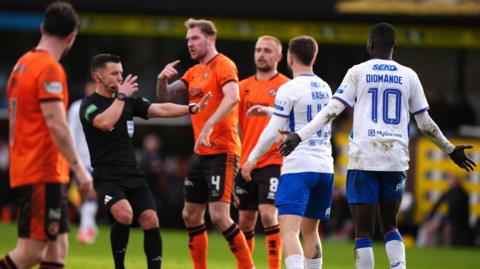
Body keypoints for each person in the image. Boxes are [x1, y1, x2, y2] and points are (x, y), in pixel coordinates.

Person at [279, 23, 476, 269]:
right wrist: (450, 150)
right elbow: (425, 124)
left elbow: (332, 111)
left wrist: (299, 135)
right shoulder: (409, 75)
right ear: (395, 47)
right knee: (390, 226)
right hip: (395, 160)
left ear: (370, 45)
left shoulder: (358, 72)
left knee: (363, 232)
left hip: (364, 158)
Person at [80, 53, 210, 269]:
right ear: (98, 76)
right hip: (106, 176)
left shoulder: (129, 101)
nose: (120, 77)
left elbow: (160, 109)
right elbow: (104, 123)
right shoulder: (90, 104)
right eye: (114, 73)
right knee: (124, 214)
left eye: (121, 72)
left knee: (151, 219)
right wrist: (121, 98)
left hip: (132, 173)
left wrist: (190, 109)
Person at [156, 18, 254, 269]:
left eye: (195, 38)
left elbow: (233, 97)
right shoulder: (193, 72)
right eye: (188, 39)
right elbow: (165, 96)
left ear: (210, 39)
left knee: (220, 216)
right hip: (200, 153)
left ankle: (248, 266)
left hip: (223, 151)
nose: (190, 43)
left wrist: (209, 124)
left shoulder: (224, 65)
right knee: (189, 214)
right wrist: (161, 80)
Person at [1, 2, 93, 269]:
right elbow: (56, 123)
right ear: (71, 38)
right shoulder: (50, 69)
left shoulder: (22, 64)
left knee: (57, 250)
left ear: (43, 28)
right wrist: (80, 169)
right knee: (29, 253)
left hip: (34, 168)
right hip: (41, 171)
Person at [242, 35, 334, 269]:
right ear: (314, 57)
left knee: (289, 230)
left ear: (290, 58)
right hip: (324, 167)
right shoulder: (324, 86)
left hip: (299, 168)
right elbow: (306, 117)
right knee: (311, 231)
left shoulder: (289, 88)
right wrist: (271, 110)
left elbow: (273, 133)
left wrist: (252, 159)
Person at [235, 35, 289, 269]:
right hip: (246, 162)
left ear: (278, 56)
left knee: (268, 214)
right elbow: (234, 125)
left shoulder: (287, 86)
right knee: (245, 220)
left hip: (274, 161)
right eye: (258, 50)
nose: (261, 54)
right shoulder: (241, 87)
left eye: (267, 50)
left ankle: (274, 266)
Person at [67, 81, 99, 244]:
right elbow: (70, 133)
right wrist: (72, 160)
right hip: (81, 160)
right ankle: (87, 228)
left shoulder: (104, 107)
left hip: (99, 160)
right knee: (84, 194)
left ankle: (87, 228)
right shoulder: (76, 107)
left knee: (91, 194)